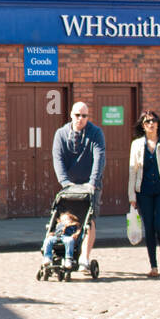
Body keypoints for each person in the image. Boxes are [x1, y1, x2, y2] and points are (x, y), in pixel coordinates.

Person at [127, 109, 160, 277]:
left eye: (153, 121)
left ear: (158, 124)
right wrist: (132, 196)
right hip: (143, 191)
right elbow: (133, 171)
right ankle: (153, 266)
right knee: (149, 228)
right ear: (142, 126)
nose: (151, 124)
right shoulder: (136, 145)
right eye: (147, 122)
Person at [52, 101, 106, 267]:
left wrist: (93, 182)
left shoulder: (95, 133)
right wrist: (64, 182)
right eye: (77, 115)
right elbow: (58, 158)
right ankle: (63, 251)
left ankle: (85, 257)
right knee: (65, 218)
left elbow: (99, 157)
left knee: (89, 220)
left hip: (90, 185)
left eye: (84, 116)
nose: (80, 119)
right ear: (71, 115)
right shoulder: (61, 134)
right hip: (69, 186)